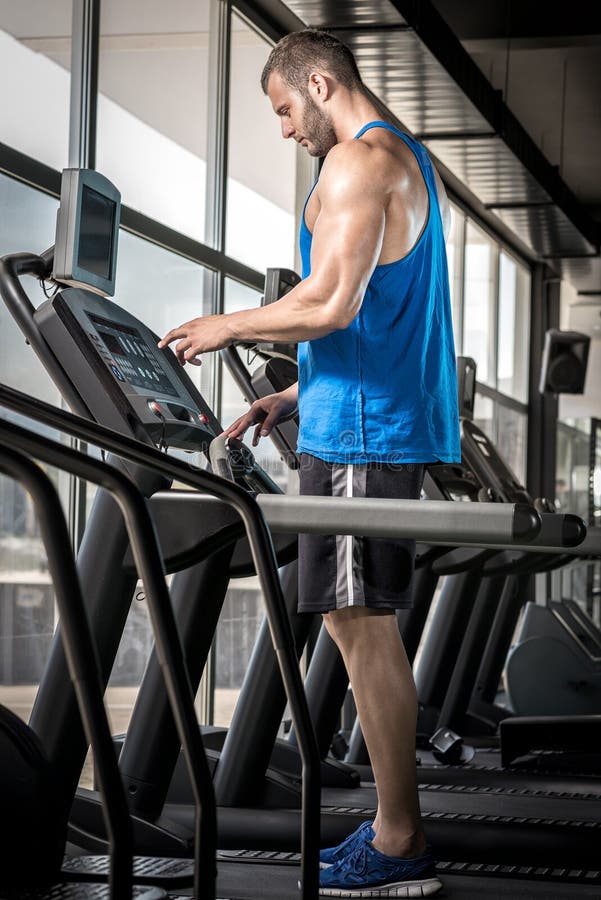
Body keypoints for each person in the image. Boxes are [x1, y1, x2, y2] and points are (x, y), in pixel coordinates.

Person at [159, 29, 459, 899]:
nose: (287, 128)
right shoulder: (400, 157)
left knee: (361, 623)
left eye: (286, 109)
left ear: (319, 83)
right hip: (356, 415)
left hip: (364, 433)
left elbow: (331, 301)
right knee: (350, 621)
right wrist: (294, 396)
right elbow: (376, 312)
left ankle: (399, 841)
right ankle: (391, 827)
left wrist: (226, 325)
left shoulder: (360, 162)